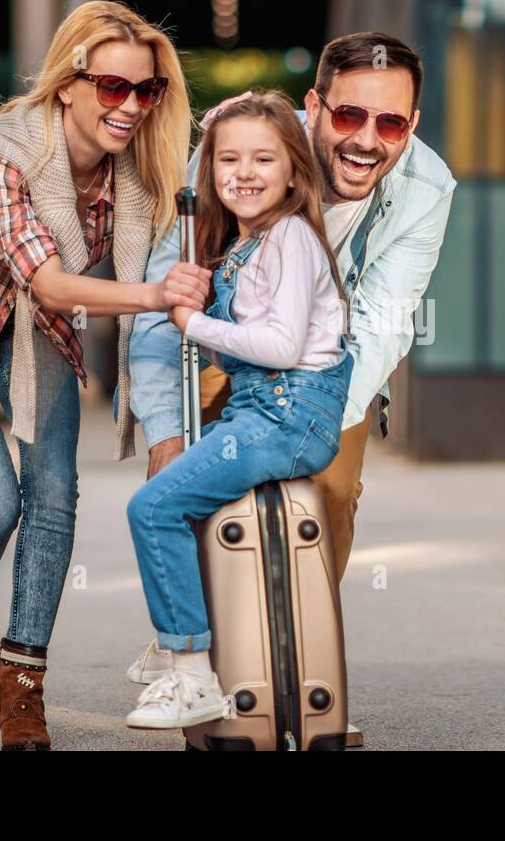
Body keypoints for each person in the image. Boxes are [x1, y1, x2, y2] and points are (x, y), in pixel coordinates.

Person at [126, 32, 456, 746]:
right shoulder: (241, 149)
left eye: (390, 122)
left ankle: (299, 674)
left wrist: (302, 422)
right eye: (348, 117)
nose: (367, 140)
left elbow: (382, 324)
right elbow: (168, 293)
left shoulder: (426, 190)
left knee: (326, 492)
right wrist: (164, 433)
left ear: (412, 125)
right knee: (183, 486)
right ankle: (206, 668)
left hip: (327, 366)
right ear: (314, 106)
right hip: (221, 341)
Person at [0, 0, 193, 750]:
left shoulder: (136, 177)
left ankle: (23, 686)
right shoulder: (4, 157)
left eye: (145, 92)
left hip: (33, 329)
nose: (130, 107)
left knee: (52, 494)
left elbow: (203, 207)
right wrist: (154, 295)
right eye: (112, 88)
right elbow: (52, 282)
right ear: (68, 86)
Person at [123, 91, 352, 728]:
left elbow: (279, 346)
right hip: (263, 409)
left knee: (154, 506)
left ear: (293, 171)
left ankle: (193, 673)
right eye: (228, 159)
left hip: (285, 415)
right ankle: (184, 636)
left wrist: (194, 324)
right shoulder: (252, 241)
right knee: (186, 500)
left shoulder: (290, 241)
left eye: (263, 159)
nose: (244, 173)